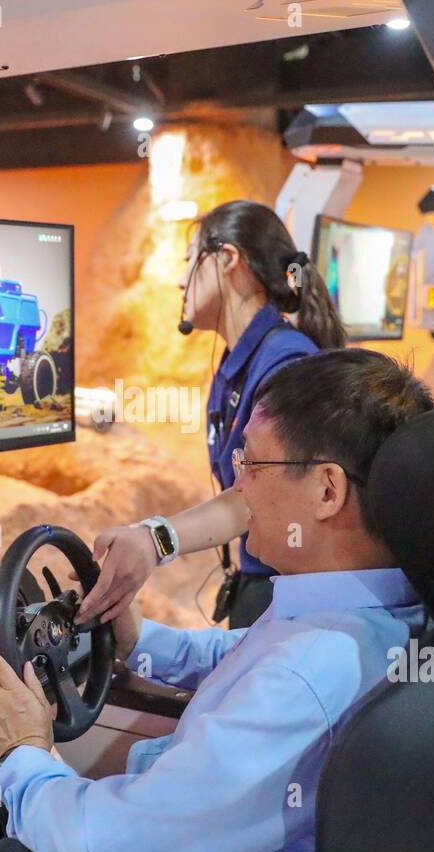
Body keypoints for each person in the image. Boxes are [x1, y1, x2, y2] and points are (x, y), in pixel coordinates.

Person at [0, 349, 434, 852]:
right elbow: (240, 658)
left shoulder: (308, 674)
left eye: (252, 462)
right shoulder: (364, 614)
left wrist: (20, 749)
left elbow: (96, 841)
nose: (238, 485)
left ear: (327, 490)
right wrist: (137, 639)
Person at [78, 200, 346, 632]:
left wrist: (154, 540)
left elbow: (261, 497)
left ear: (227, 259)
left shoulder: (284, 361)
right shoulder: (238, 364)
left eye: (189, 261)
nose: (179, 281)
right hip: (262, 586)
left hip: (290, 600)